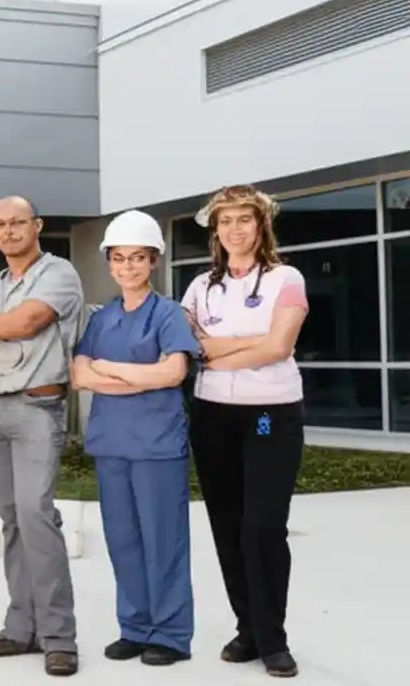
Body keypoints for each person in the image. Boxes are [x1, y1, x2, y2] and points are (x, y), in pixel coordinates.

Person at [180, 185, 308, 679]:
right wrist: (247, 342)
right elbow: (195, 350)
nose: (234, 229)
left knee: (262, 527)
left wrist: (221, 346)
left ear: (261, 226)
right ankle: (248, 629)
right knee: (228, 527)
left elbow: (279, 348)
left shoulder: (286, 279)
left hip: (268, 415)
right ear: (215, 230)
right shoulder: (199, 287)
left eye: (244, 220)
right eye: (225, 221)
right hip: (213, 416)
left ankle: (274, 639)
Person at [0, 195, 83, 677]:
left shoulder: (59, 273)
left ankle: (59, 638)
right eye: (0, 224)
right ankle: (20, 628)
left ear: (38, 226)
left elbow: (26, 322)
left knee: (36, 515)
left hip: (36, 405)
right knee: (10, 519)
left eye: (17, 223)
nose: (9, 231)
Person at [69, 210, 200, 667]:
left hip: (157, 446)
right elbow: (79, 374)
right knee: (122, 539)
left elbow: (173, 372)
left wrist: (110, 369)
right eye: (120, 259)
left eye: (138, 258)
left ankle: (170, 633)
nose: (128, 267)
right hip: (112, 445)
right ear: (109, 263)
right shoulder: (103, 319)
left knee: (163, 539)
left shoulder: (167, 313)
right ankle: (136, 626)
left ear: (153, 262)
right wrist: (135, 377)